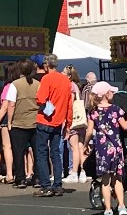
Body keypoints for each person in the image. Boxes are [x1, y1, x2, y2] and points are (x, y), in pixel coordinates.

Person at [33, 54, 74, 196]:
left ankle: (46, 186)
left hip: (45, 119)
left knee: (42, 153)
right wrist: (68, 124)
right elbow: (69, 104)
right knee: (55, 153)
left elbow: (41, 98)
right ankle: (57, 184)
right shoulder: (66, 81)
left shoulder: (46, 78)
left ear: (46, 65)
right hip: (59, 121)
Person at [89, 81, 127, 215]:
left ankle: (108, 210)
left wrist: (85, 143)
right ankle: (122, 206)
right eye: (111, 92)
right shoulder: (116, 109)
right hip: (116, 146)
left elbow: (89, 131)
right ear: (106, 94)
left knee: (105, 180)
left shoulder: (93, 112)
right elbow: (125, 126)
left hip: (102, 148)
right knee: (117, 178)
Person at [8, 62, 40, 189]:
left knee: (18, 152)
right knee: (38, 152)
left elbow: (11, 104)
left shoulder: (15, 84)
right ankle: (37, 177)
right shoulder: (38, 84)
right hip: (35, 121)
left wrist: (9, 122)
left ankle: (20, 179)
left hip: (19, 122)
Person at [64, 66, 90, 185]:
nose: (61, 73)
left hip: (74, 119)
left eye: (63, 72)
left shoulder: (70, 86)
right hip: (81, 120)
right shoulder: (77, 86)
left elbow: (70, 103)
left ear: (69, 75)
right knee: (80, 147)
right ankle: (83, 171)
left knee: (74, 147)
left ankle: (74, 172)